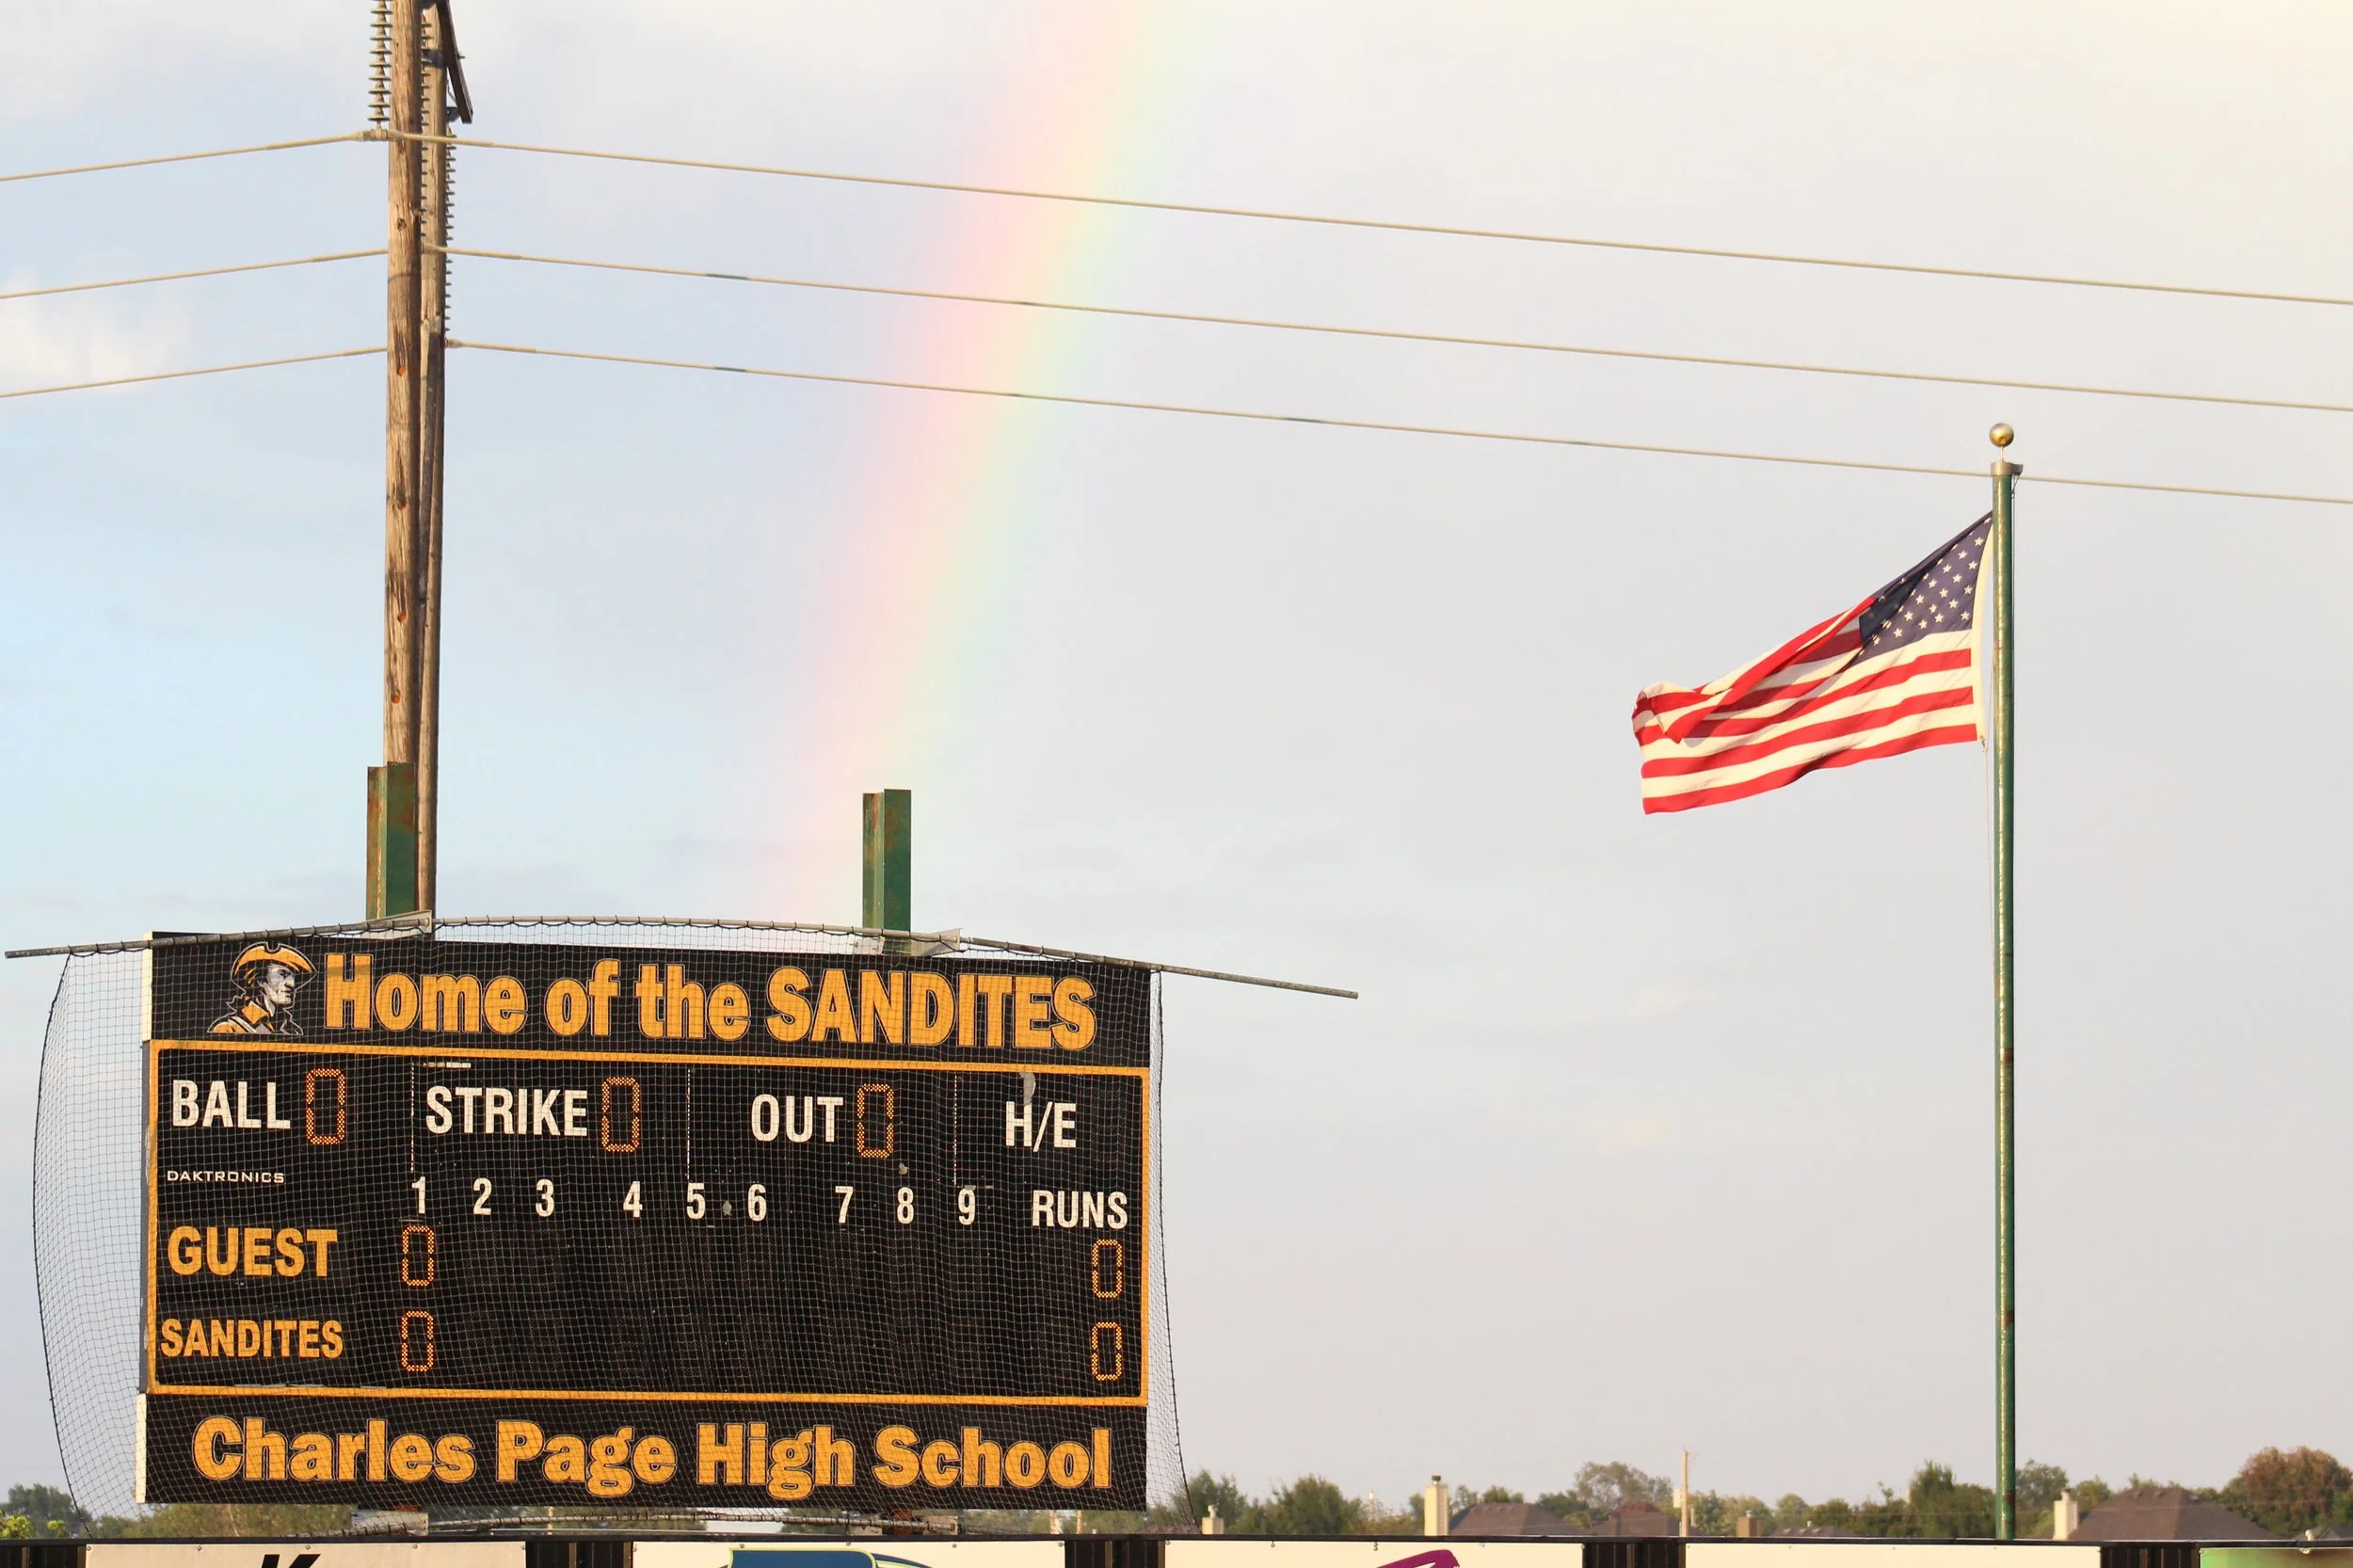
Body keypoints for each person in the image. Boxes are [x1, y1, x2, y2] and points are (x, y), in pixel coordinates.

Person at [209, 943, 315, 1036]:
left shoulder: (293, 1031)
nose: (292, 984)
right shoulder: (229, 1028)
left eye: (294, 978)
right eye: (282, 974)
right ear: (260, 980)